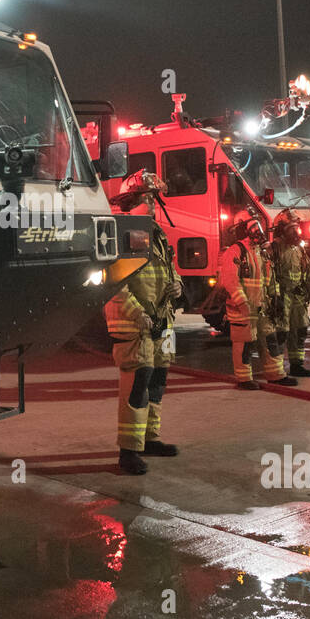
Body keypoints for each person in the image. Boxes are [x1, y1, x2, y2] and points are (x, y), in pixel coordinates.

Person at [104, 171, 183, 475]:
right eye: (148, 199)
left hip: (163, 321)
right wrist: (138, 313)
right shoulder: (119, 233)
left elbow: (170, 268)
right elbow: (114, 284)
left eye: (154, 199)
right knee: (137, 386)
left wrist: (178, 285)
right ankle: (128, 452)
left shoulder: (158, 234)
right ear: (132, 201)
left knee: (158, 382)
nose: (153, 205)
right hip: (135, 324)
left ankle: (150, 439)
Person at [218, 214, 297, 390]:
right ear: (243, 229)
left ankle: (276, 375)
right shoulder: (235, 251)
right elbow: (230, 281)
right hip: (243, 310)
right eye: (253, 226)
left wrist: (275, 297)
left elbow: (270, 278)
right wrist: (243, 304)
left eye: (258, 226)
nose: (258, 231)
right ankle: (244, 379)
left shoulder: (261, 253)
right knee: (245, 344)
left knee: (270, 340)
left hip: (262, 308)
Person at [270, 209, 310, 377]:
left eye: (296, 227)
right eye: (291, 228)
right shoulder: (274, 249)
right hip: (282, 296)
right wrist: (275, 297)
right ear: (282, 230)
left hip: (298, 296)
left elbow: (307, 269)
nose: (295, 232)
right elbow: (269, 275)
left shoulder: (299, 248)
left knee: (300, 330)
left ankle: (297, 365)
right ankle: (276, 369)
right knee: (281, 333)